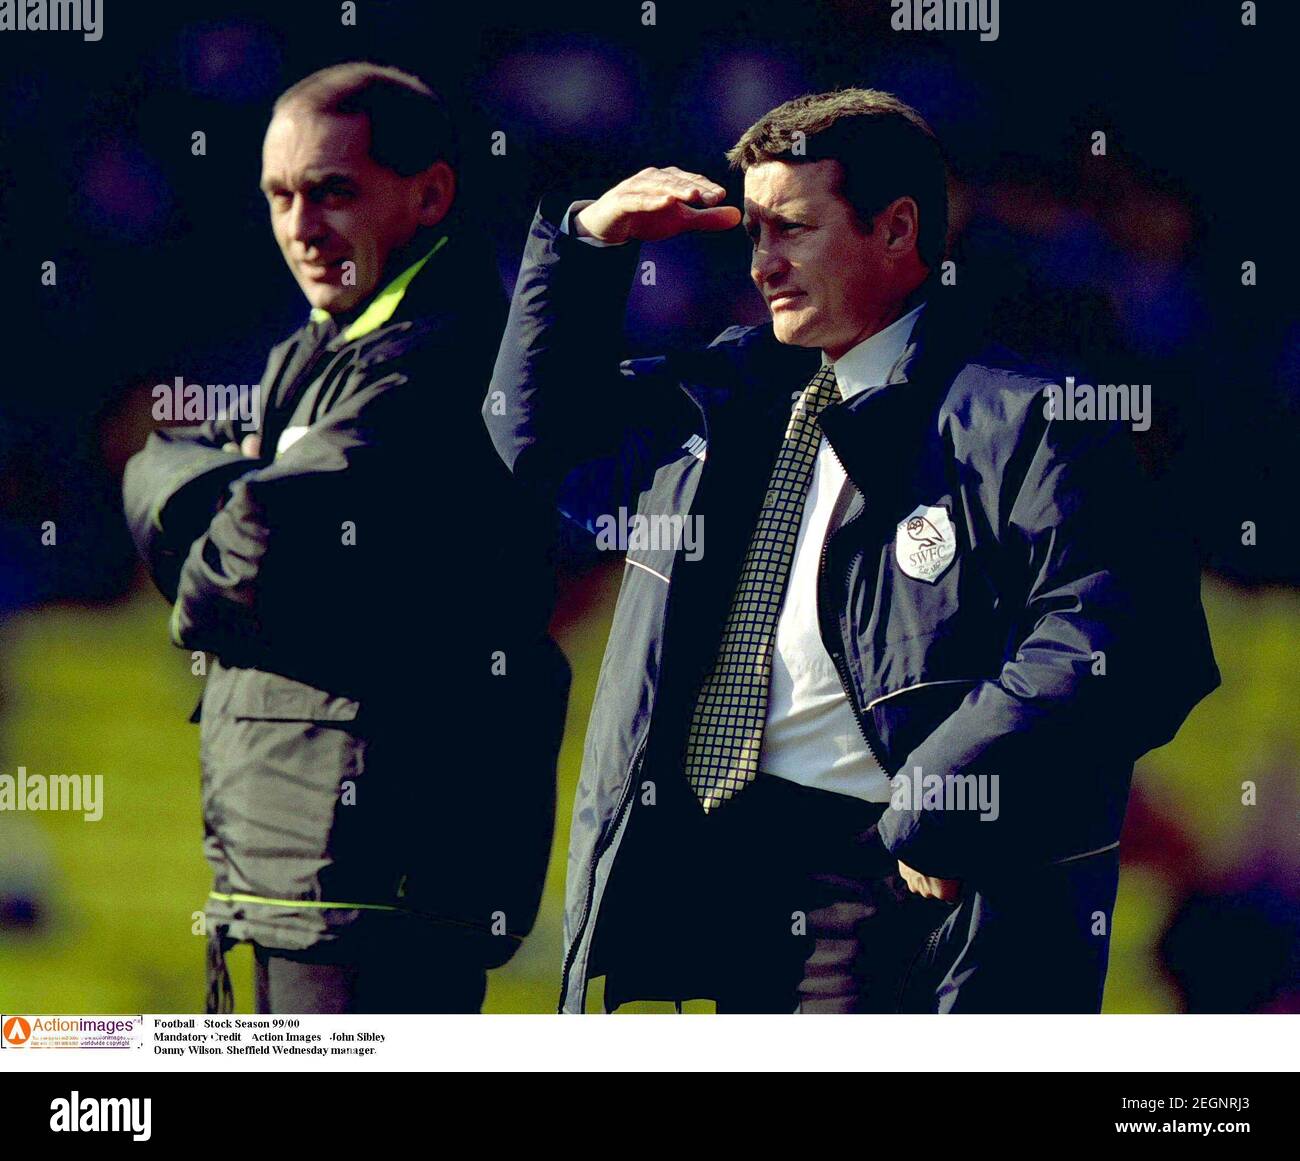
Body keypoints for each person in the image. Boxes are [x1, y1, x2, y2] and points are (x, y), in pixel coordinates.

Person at [485, 88, 1220, 1013]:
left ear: (897, 228)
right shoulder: (733, 388)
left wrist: (944, 801)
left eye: (790, 228)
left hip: (906, 887)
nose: (762, 264)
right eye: (751, 233)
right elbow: (533, 438)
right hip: (728, 867)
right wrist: (586, 246)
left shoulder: (1032, 417)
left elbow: (1122, 637)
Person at [124, 62, 568, 1014]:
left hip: (377, 875)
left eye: (332, 192)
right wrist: (224, 490)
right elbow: (178, 474)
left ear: (432, 192)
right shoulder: (326, 342)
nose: (300, 226)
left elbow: (255, 551)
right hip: (300, 863)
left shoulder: (441, 350)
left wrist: (212, 520)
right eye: (280, 196)